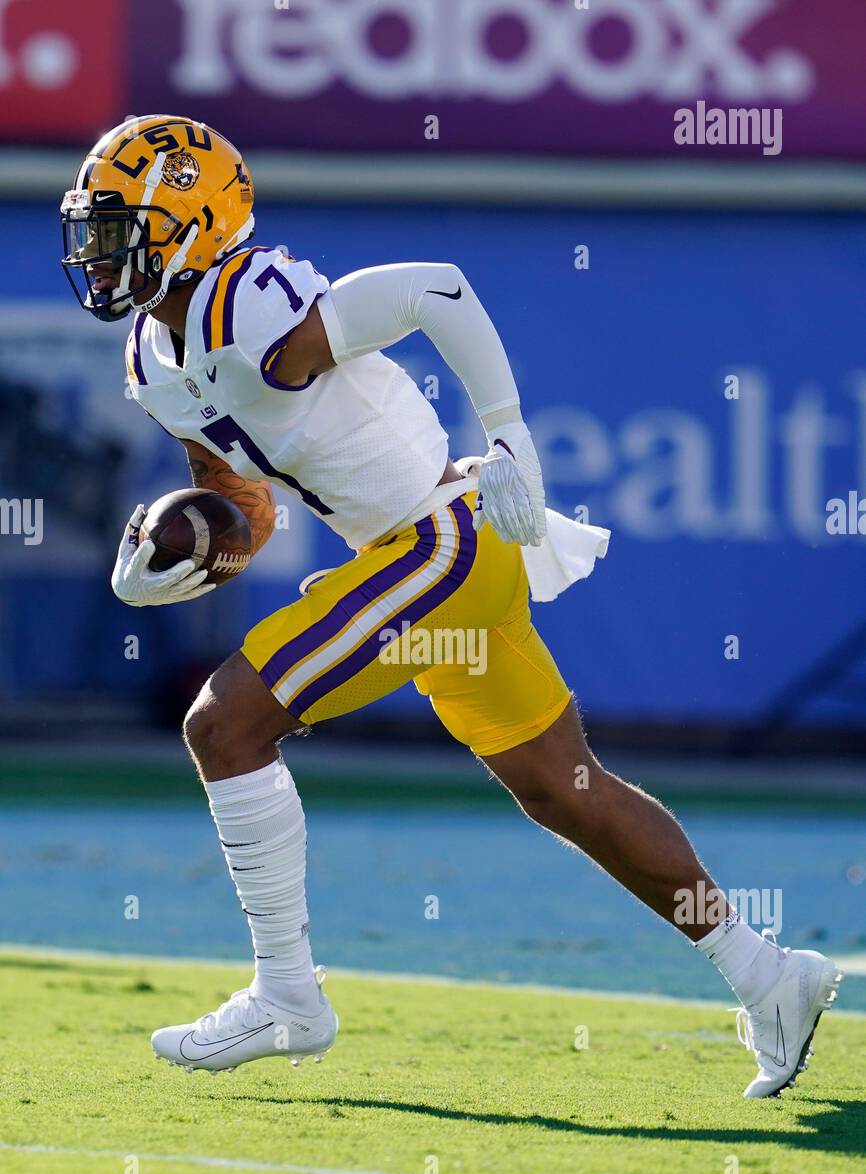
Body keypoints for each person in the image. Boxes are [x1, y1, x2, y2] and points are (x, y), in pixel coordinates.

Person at [61, 115, 842, 1097]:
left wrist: (511, 434)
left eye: (115, 225)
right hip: (421, 555)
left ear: (188, 222)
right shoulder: (154, 357)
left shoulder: (246, 306)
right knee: (565, 790)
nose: (94, 251)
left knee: (226, 724)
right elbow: (248, 509)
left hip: (441, 541)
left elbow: (440, 288)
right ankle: (768, 975)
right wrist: (179, 558)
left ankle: (288, 996)